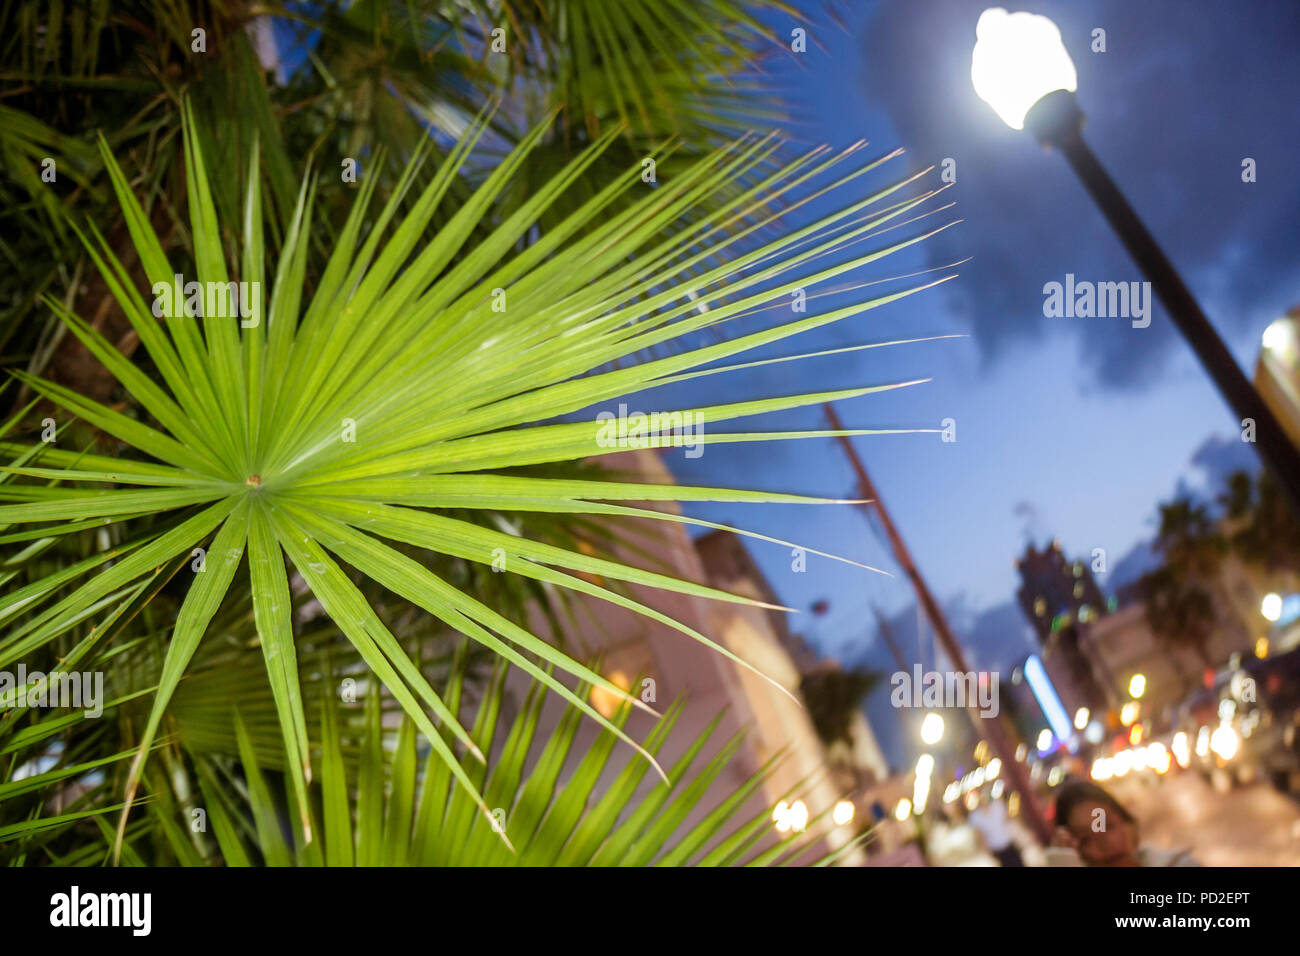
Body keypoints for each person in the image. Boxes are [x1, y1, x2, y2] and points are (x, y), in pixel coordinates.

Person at [1050, 778, 1199, 867]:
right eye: (1085, 839)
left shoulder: (1178, 864)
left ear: (1128, 824)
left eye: (1108, 826)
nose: (1105, 844)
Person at [966, 792, 1024, 867]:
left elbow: (1010, 822)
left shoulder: (998, 806)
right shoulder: (975, 817)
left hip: (1010, 846)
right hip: (997, 852)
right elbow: (980, 838)